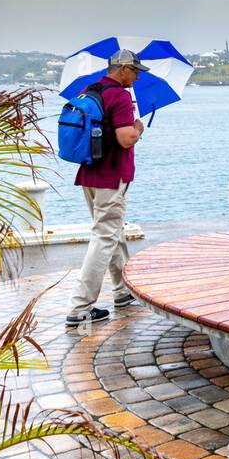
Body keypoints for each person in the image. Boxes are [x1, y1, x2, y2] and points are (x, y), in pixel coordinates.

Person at [65, 49, 148, 328]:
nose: (137, 76)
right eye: (135, 71)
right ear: (123, 68)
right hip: (111, 176)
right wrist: (138, 127)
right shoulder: (121, 96)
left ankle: (123, 291)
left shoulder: (90, 89)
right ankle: (80, 308)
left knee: (112, 231)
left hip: (89, 174)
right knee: (104, 237)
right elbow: (126, 139)